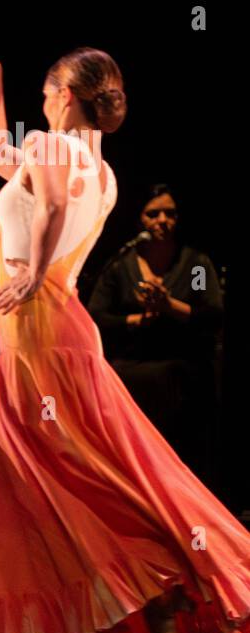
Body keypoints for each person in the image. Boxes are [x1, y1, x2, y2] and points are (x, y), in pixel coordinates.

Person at [0, 48, 250, 633]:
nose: (42, 100)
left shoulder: (52, 149)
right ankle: (53, 630)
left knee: (14, 476)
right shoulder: (101, 171)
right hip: (59, 329)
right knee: (68, 472)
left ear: (63, 94)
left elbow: (54, 206)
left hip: (40, 327)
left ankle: (118, 601)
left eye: (44, 90)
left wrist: (32, 272)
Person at [87, 184, 224, 479]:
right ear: (140, 219)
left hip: (180, 360)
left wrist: (168, 305)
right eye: (154, 214)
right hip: (132, 359)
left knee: (168, 379)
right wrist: (137, 320)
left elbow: (208, 313)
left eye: (170, 214)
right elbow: (97, 315)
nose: (163, 220)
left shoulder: (195, 267)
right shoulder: (121, 266)